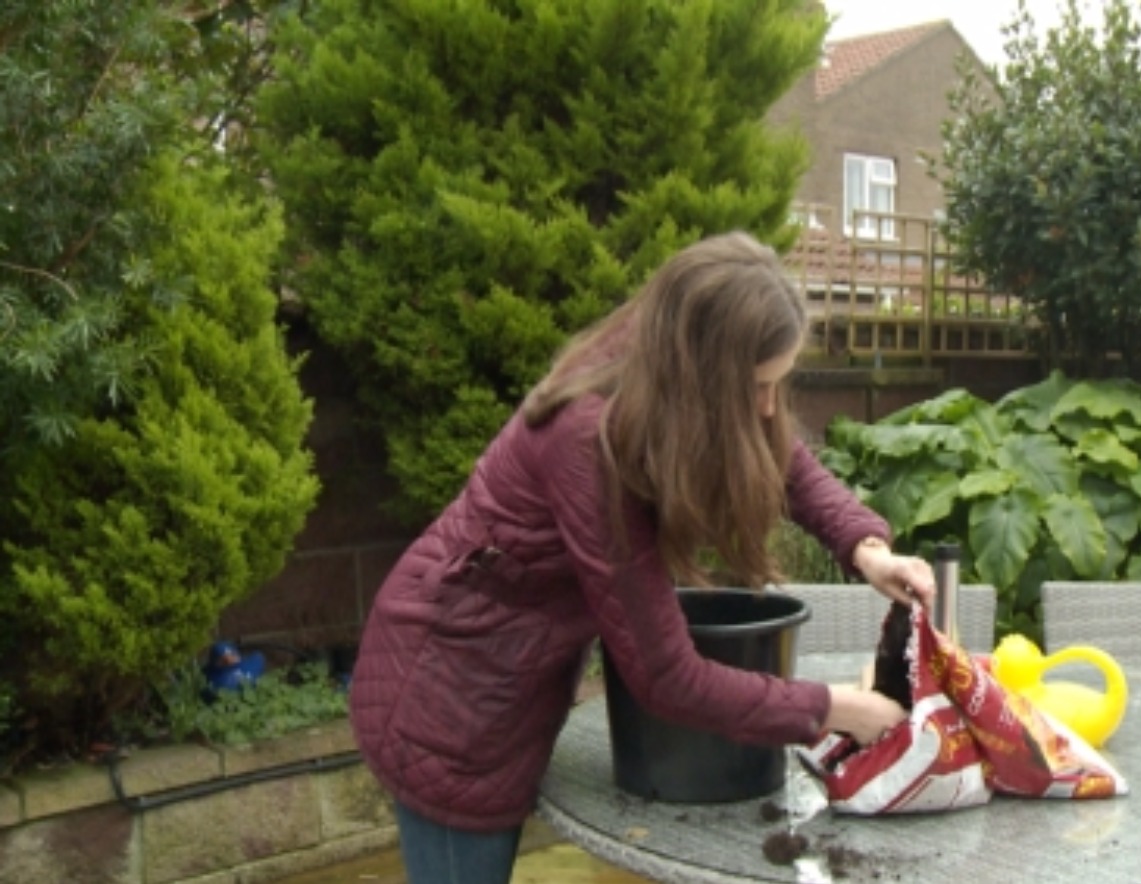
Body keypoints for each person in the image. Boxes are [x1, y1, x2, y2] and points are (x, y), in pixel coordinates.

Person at [349, 230, 938, 884]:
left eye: (780, 382)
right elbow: (665, 677)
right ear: (703, 374)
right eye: (756, 386)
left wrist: (866, 548)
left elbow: (783, 456)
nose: (770, 404)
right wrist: (837, 710)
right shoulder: (589, 443)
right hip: (449, 701)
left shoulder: (668, 362)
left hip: (508, 676)